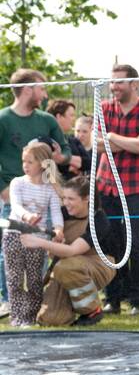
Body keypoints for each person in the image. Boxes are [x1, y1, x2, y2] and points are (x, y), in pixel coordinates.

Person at [1, 70, 71, 316]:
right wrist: (4, 189)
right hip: (13, 194)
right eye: (42, 88)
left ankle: (34, 304)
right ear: (28, 89)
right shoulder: (3, 119)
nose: (45, 93)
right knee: (9, 256)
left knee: (36, 256)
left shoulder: (47, 121)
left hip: (44, 196)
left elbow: (65, 152)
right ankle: (8, 301)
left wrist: (58, 157)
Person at [95, 63, 139, 315]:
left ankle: (138, 301)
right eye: (111, 82)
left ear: (135, 84)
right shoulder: (103, 108)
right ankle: (112, 299)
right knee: (110, 243)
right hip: (106, 185)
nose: (113, 87)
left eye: (119, 82)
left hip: (135, 187)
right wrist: (126, 142)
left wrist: (111, 138)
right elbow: (96, 146)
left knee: (134, 245)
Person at [23, 175, 116, 326]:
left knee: (67, 267)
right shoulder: (61, 214)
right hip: (65, 267)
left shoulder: (98, 220)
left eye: (71, 199)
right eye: (64, 198)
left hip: (99, 265)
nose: (66, 203)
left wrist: (38, 242)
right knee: (51, 319)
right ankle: (71, 305)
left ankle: (92, 311)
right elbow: (55, 254)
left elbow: (73, 250)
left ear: (86, 198)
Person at [3, 142, 64, 326]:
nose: (25, 165)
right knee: (14, 278)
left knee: (35, 279)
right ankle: (18, 317)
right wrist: (27, 216)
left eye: (29, 162)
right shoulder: (17, 183)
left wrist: (59, 228)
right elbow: (16, 206)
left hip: (37, 240)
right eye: (24, 161)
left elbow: (55, 212)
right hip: (14, 235)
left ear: (42, 164)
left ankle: (32, 316)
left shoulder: (50, 189)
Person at [47, 100, 89, 180]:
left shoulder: (73, 140)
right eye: (71, 115)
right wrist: (73, 164)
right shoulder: (47, 140)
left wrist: (62, 159)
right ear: (59, 116)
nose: (74, 119)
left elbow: (87, 162)